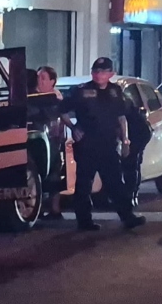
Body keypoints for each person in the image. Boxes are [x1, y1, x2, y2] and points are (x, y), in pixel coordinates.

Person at [63, 56, 145, 232]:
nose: (98, 74)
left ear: (111, 74)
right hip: (87, 145)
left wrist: (125, 140)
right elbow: (61, 110)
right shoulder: (81, 91)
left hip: (108, 144)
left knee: (116, 183)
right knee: (84, 184)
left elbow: (121, 117)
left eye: (102, 71)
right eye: (95, 71)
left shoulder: (115, 91)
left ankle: (127, 217)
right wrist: (73, 128)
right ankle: (84, 221)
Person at [29, 66, 67, 220]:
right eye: (38, 76)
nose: (40, 79)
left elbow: (60, 117)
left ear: (52, 81)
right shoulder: (30, 95)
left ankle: (55, 209)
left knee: (54, 173)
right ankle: (39, 208)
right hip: (34, 141)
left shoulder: (55, 97)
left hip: (51, 140)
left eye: (43, 77)